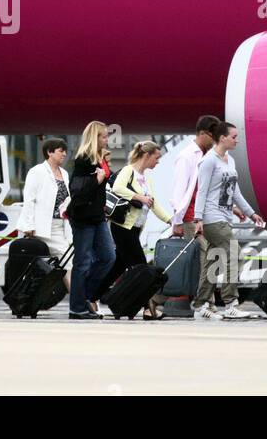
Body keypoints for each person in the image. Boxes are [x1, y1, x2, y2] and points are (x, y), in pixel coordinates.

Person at [193, 122, 265, 320]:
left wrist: (251, 213)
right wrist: (198, 218)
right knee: (235, 255)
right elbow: (202, 190)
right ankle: (230, 303)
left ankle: (200, 305)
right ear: (222, 137)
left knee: (212, 261)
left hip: (224, 216)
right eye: (233, 136)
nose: (237, 140)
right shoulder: (209, 161)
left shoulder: (229, 160)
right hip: (211, 217)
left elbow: (235, 191)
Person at [95, 140, 173, 315]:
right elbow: (118, 187)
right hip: (122, 227)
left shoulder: (146, 178)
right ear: (147, 155)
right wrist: (140, 197)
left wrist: (171, 220)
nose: (158, 161)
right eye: (157, 157)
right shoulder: (128, 170)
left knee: (118, 268)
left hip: (135, 229)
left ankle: (91, 296)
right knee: (142, 268)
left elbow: (154, 204)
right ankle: (147, 308)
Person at [65, 121, 118, 320]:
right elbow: (76, 190)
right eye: (103, 136)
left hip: (97, 216)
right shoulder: (83, 159)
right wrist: (97, 179)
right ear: (94, 137)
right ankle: (77, 307)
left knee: (108, 257)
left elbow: (107, 182)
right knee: (83, 262)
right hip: (83, 217)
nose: (107, 139)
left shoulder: (101, 159)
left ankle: (83, 297)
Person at [19, 137, 73, 280]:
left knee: (69, 261)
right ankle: (80, 300)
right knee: (67, 261)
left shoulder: (65, 173)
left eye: (65, 151)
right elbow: (29, 199)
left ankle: (79, 299)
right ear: (49, 152)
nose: (64, 154)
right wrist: (29, 225)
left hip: (62, 226)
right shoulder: (37, 171)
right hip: (44, 227)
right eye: (61, 151)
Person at [171, 115, 221, 239]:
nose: (214, 142)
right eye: (213, 137)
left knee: (206, 256)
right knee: (201, 256)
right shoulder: (186, 156)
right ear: (203, 133)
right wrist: (177, 222)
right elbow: (179, 191)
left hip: (205, 218)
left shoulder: (208, 156)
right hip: (190, 218)